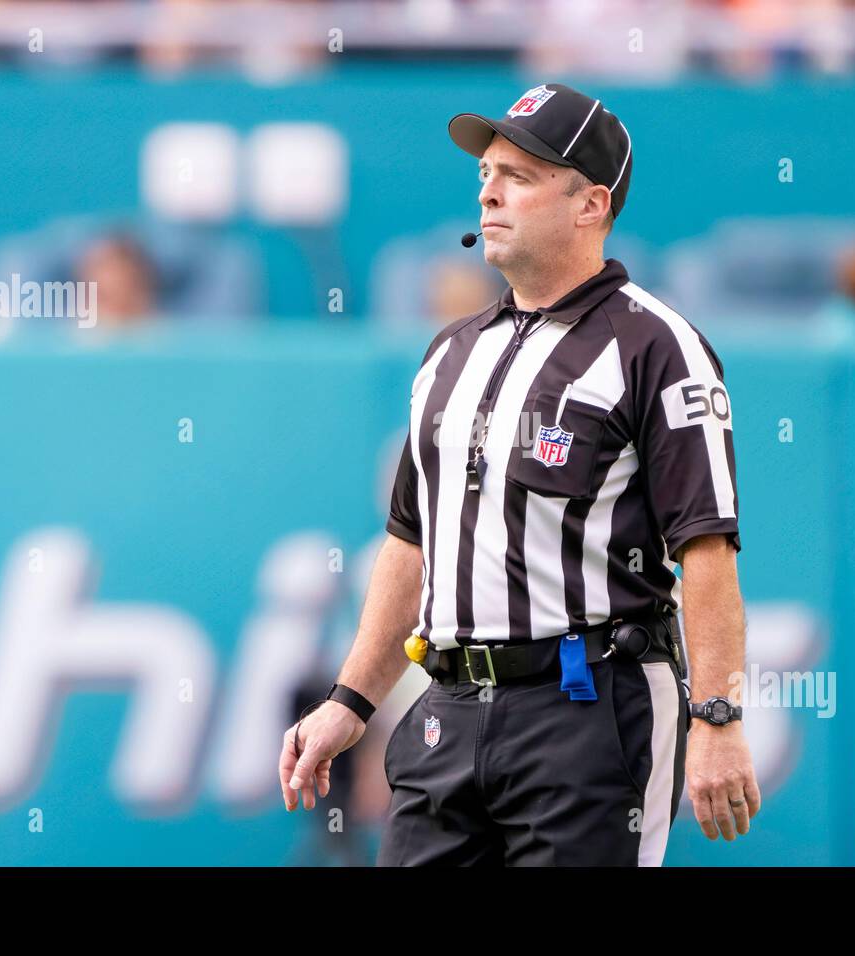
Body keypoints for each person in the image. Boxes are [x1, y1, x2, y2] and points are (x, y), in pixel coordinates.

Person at [281, 83, 759, 866]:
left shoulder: (656, 346)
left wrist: (718, 717)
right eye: (485, 174)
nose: (490, 191)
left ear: (590, 204)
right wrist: (351, 700)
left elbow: (706, 550)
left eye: (521, 174)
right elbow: (410, 540)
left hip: (588, 709)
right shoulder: (449, 354)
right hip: (446, 705)